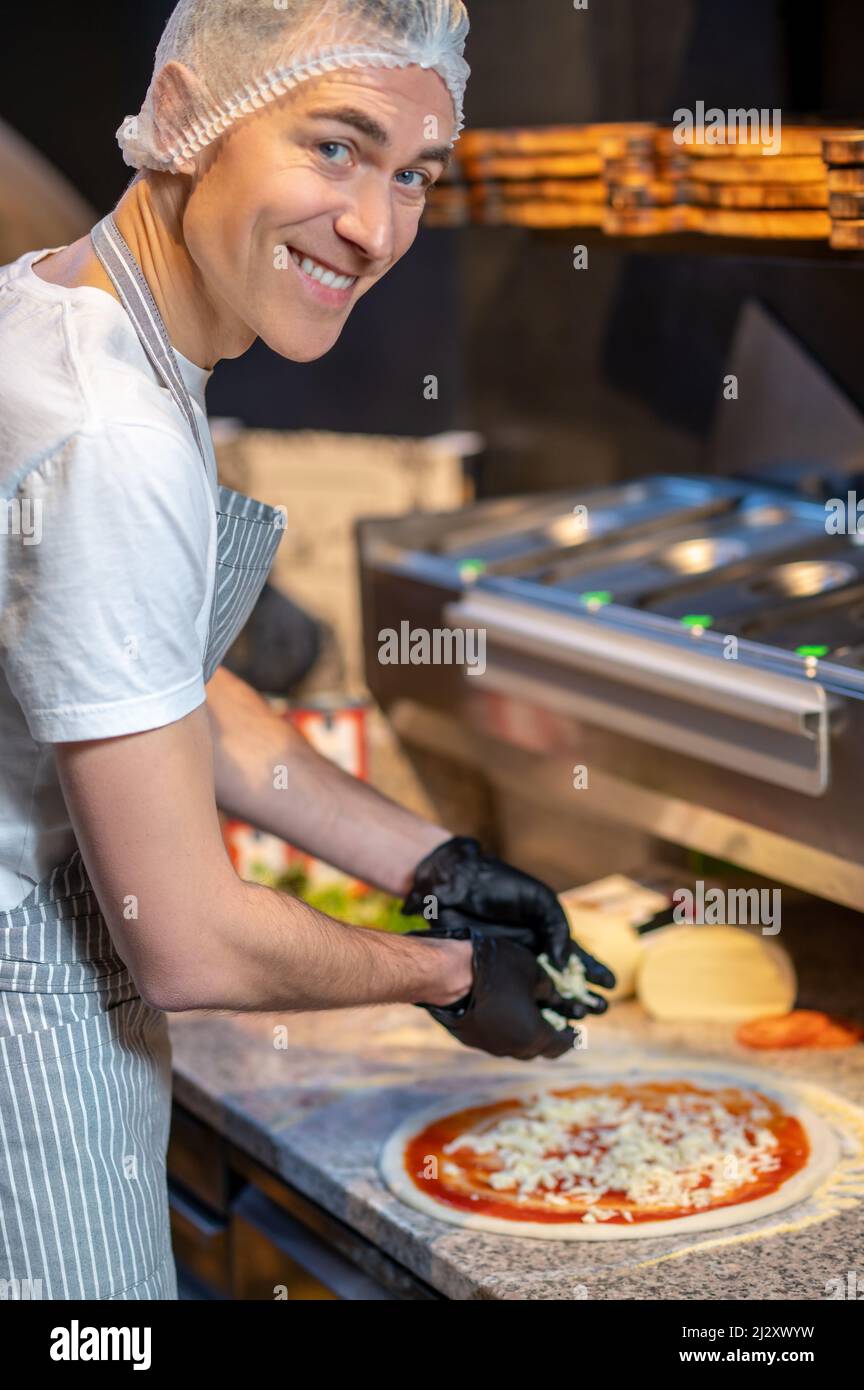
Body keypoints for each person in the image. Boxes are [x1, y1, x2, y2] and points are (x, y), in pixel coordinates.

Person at [0, 0, 613, 1301]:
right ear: (179, 117)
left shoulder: (51, 312)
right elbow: (189, 939)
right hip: (26, 1056)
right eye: (334, 147)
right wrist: (448, 970)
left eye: (412, 174)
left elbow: (158, 688)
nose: (376, 226)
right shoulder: (116, 432)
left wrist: (436, 861)